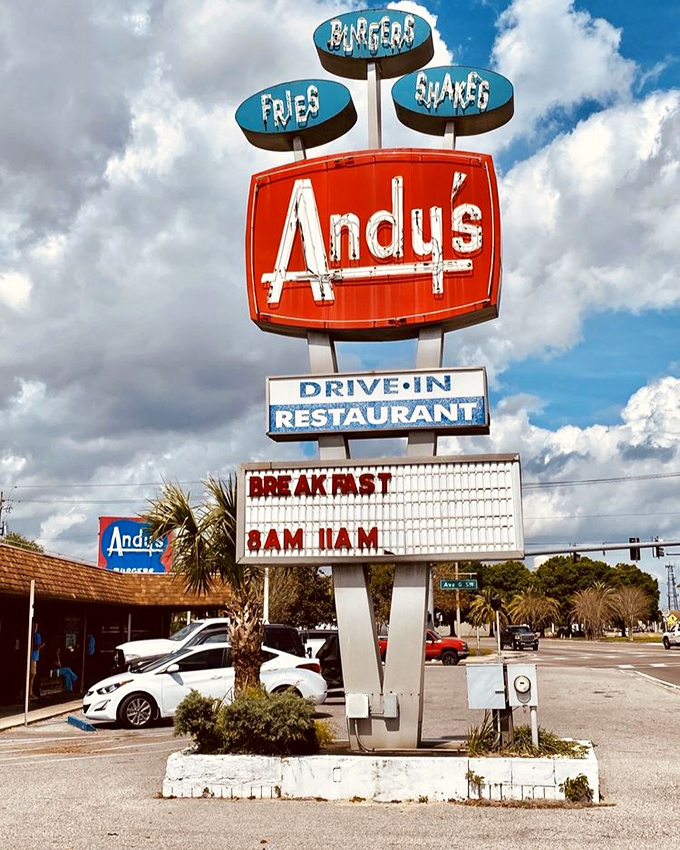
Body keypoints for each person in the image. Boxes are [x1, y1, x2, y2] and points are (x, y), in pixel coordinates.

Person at [29, 622, 45, 700]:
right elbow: (37, 647)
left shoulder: (30, 634)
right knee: (32, 675)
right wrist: (43, 644)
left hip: (31, 657)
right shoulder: (36, 635)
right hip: (33, 657)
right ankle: (30, 693)